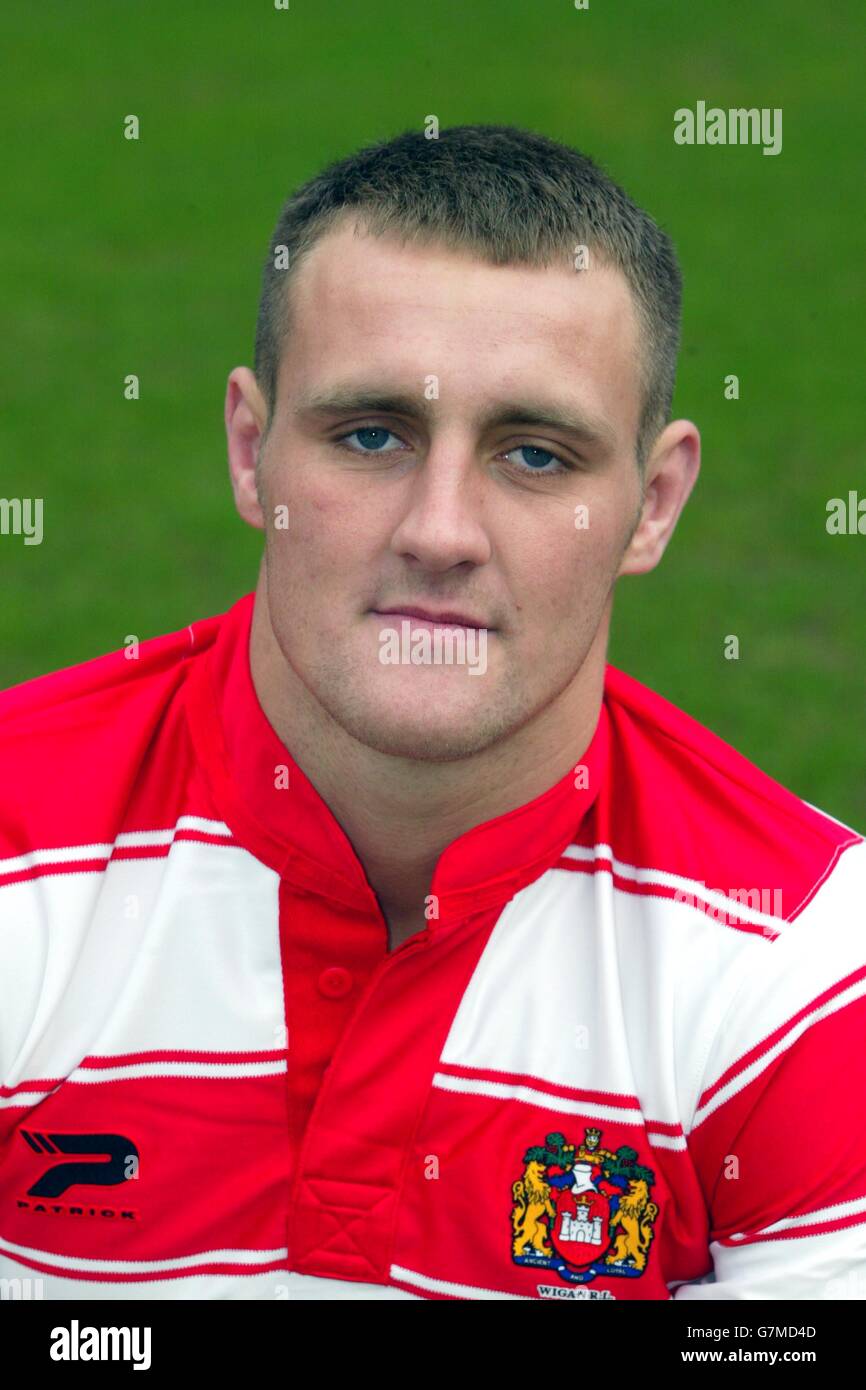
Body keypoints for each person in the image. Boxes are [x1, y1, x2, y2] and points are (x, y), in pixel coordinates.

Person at [0, 125, 863, 1302]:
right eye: (370, 435)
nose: (439, 532)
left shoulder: (802, 968)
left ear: (652, 505)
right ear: (251, 454)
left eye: (536, 457)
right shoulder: (17, 847)